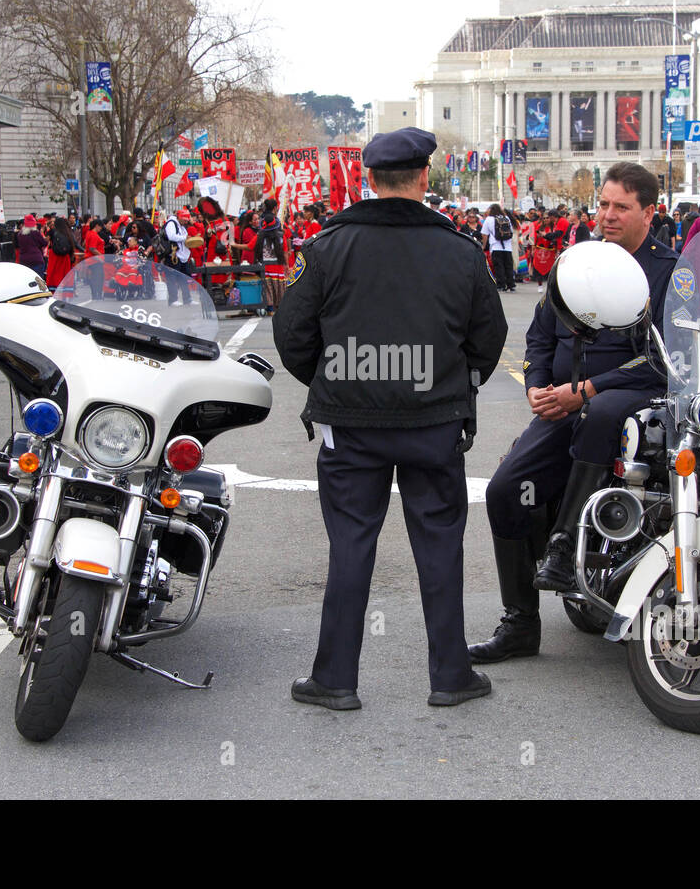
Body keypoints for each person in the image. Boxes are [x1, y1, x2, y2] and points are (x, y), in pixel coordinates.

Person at [273, 126, 508, 709]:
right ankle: (450, 676)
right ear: (424, 178)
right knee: (439, 546)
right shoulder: (460, 251)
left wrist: (333, 382)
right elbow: (489, 338)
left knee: (350, 545)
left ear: (369, 180)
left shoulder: (327, 248)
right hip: (434, 421)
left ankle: (334, 679)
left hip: (351, 424)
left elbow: (293, 333)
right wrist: (455, 384)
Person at [469, 162, 677, 663]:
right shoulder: (575, 262)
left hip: (626, 402)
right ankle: (520, 623)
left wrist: (585, 390)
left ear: (649, 212)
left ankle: (564, 544)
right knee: (504, 492)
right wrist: (538, 385)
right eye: (603, 204)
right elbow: (541, 336)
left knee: (604, 410)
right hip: (562, 405)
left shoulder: (669, 271)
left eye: (621, 207)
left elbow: (665, 359)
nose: (607, 215)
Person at [482, 202, 516, 292]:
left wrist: (484, 245)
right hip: (507, 247)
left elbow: (484, 234)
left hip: (495, 246)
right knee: (508, 265)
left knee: (498, 266)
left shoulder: (489, 219)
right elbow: (511, 232)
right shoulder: (506, 218)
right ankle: (511, 284)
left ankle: (501, 284)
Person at [16, 213, 48, 280]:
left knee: (26, 281)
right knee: (39, 281)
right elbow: (44, 243)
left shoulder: (20, 234)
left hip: (24, 260)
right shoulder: (35, 233)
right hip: (36, 259)